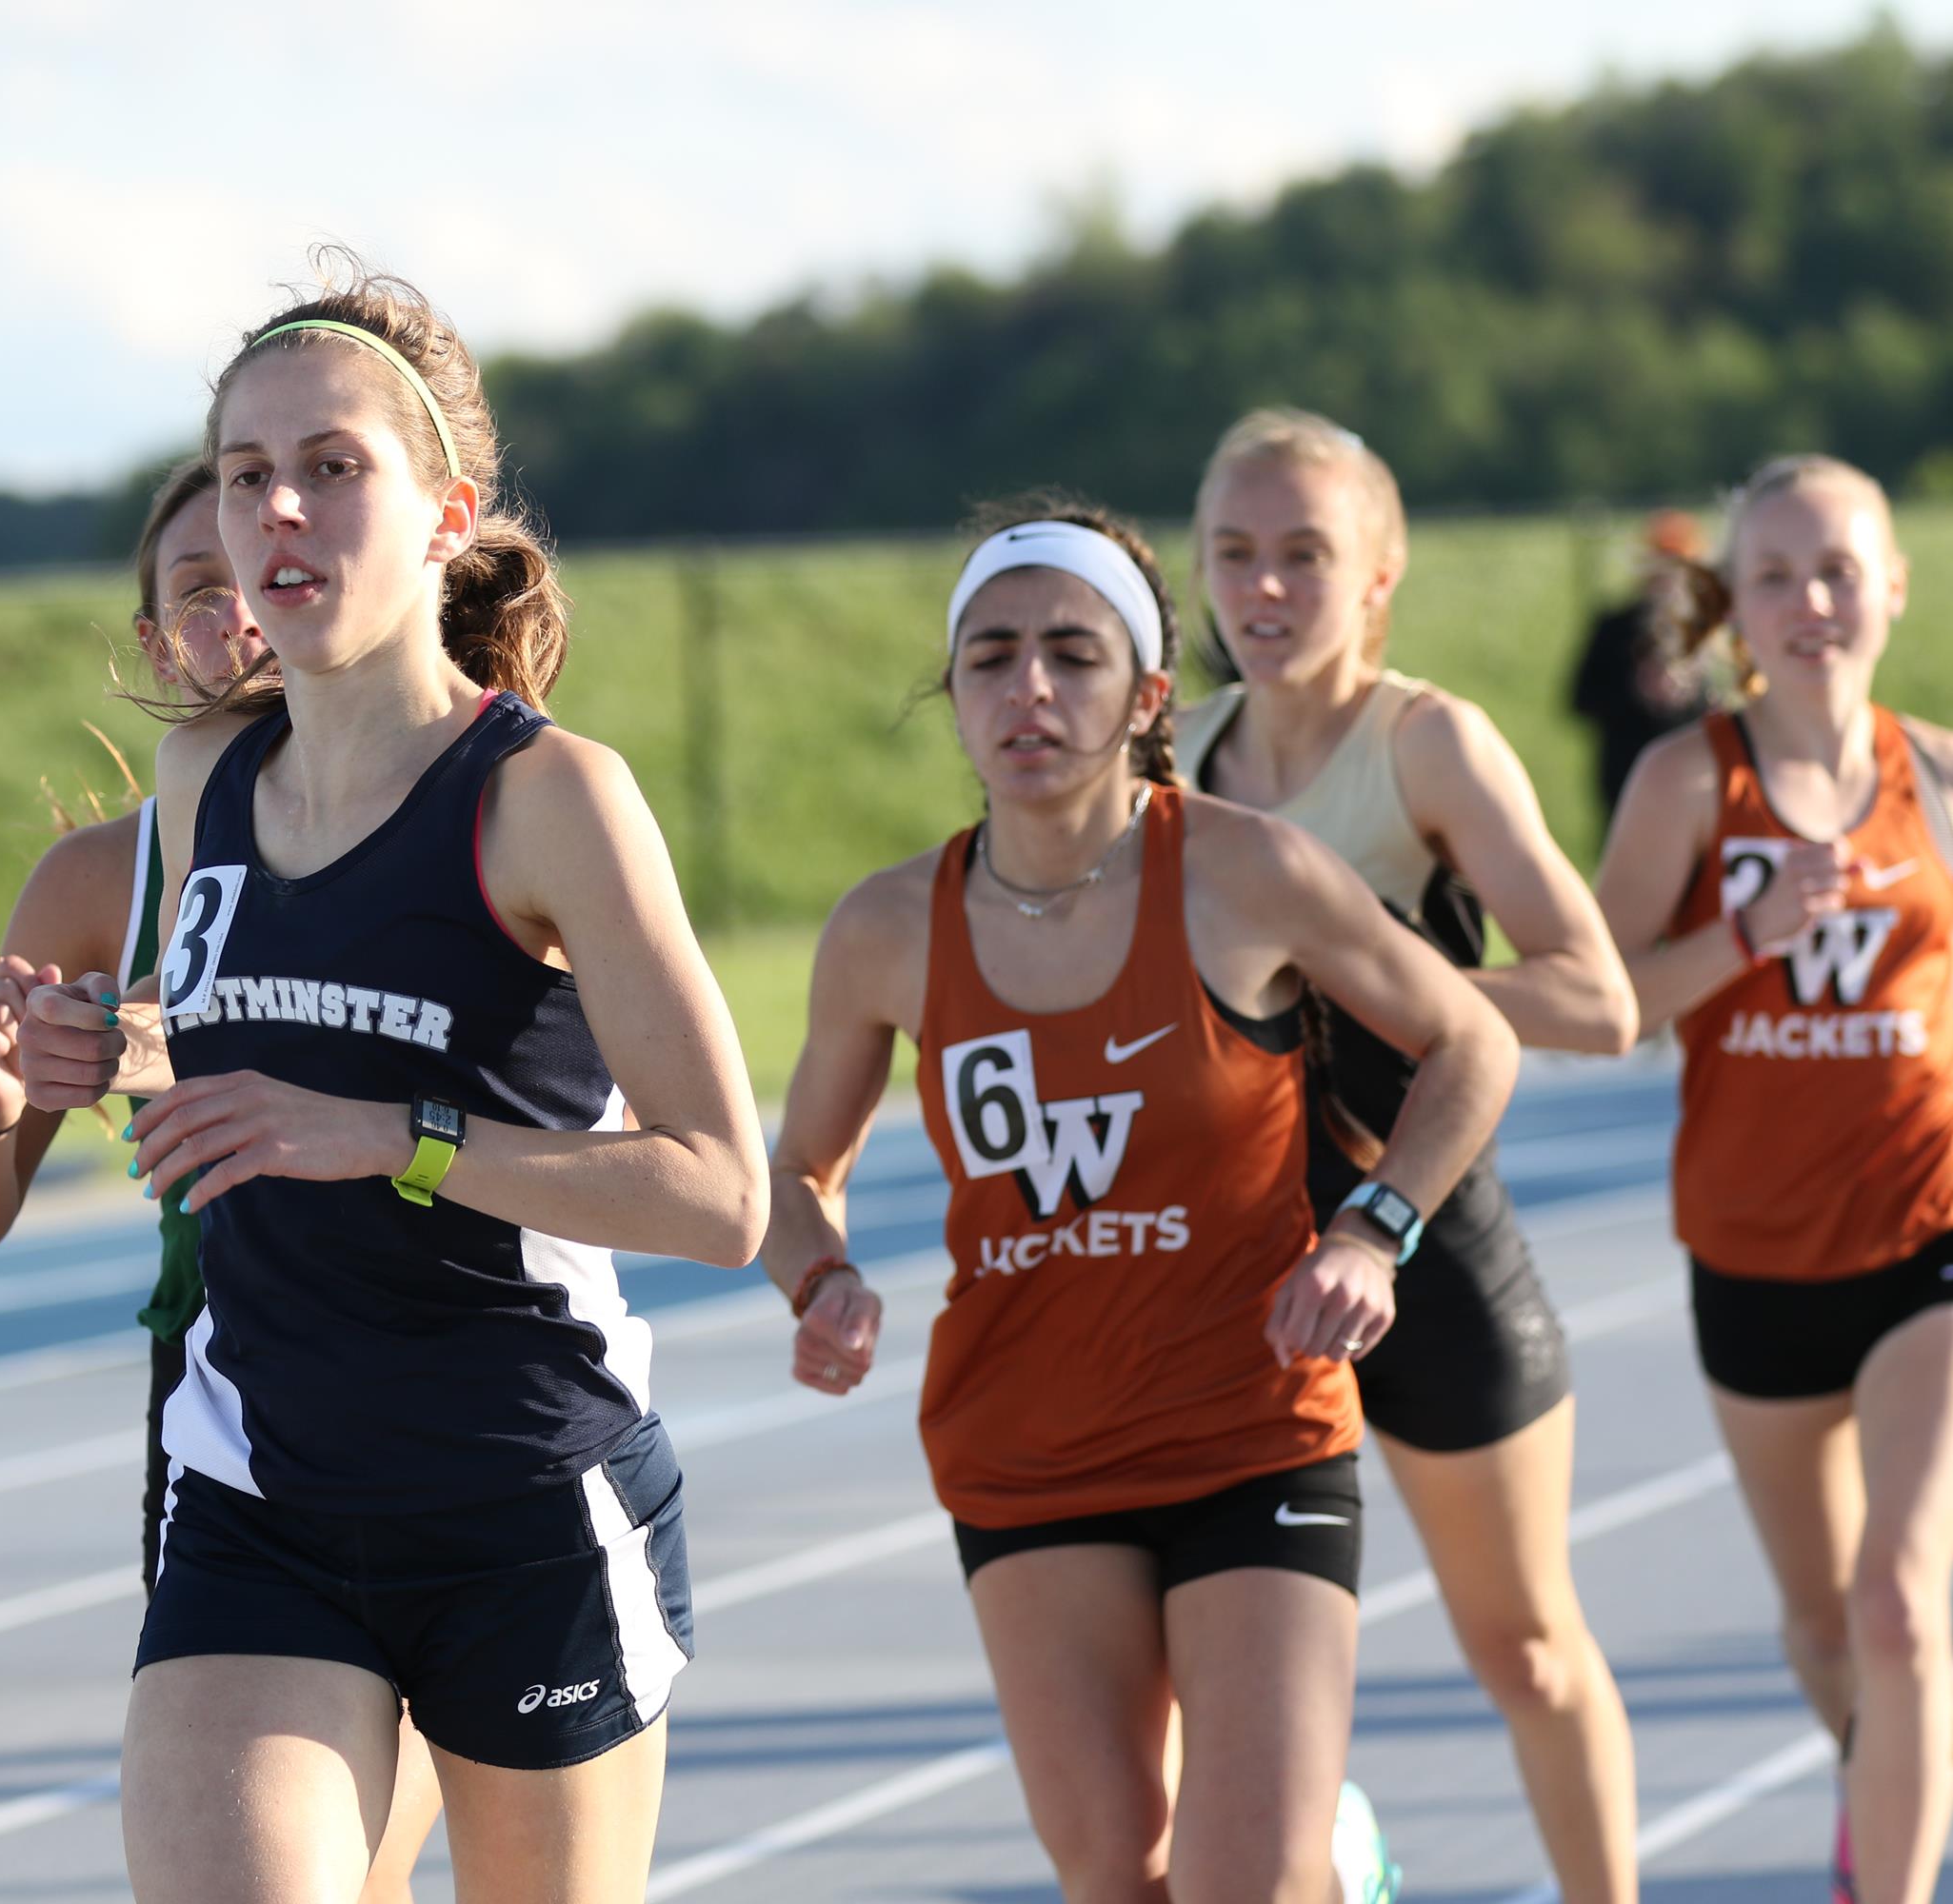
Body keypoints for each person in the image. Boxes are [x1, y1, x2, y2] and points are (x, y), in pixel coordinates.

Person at [19, 257, 769, 1904]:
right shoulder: (207, 774)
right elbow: (253, 1045)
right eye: (242, 475)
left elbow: (722, 1189)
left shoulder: (548, 798)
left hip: (523, 1498)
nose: (274, 511)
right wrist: (77, 1056)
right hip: (263, 1493)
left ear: (445, 512)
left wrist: (394, 1139)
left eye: (331, 468)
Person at [770, 492, 1517, 1901]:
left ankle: (1313, 1854)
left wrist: (1377, 1228)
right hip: (1029, 1451)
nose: (1028, 689)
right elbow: (796, 1175)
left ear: (1148, 694)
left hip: (1254, 1432)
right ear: (954, 696)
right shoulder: (887, 928)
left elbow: (1473, 1042)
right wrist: (822, 1279)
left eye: (1071, 652)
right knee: (1118, 1871)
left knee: (1243, 1880)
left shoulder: (1244, 871)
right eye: (989, 658)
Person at [0, 454, 443, 1901]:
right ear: (157, 646)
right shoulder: (99, 881)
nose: (245, 609)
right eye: (199, 590)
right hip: (226, 1400)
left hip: (454, 1381)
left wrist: (159, 1041)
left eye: (262, 561)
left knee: (375, 1861)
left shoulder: (457, 803)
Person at [1176, 409, 1642, 1902]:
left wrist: (1355, 979)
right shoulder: (1167, 762)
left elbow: (1596, 995)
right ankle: (1337, 1853)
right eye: (1235, 553)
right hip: (1233, 1286)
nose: (1265, 586)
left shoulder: (1424, 742)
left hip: (1423, 1246)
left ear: (1379, 574)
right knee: (1224, 1688)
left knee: (1526, 1648)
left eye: (1305, 554)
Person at [1596, 454, 1953, 1904]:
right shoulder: (1692, 780)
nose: (1812, 600)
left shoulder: (1937, 773)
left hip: (1927, 1232)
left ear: (1894, 588)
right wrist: (1743, 938)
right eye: (1777, 574)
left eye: (1840, 569)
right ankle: (1898, 1796)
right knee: (1822, 1631)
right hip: (1751, 1261)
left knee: (1901, 1612)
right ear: (1734, 604)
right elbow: (1605, 1002)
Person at [1571, 510, 1719, 819]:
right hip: (1627, 771)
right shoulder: (1615, 627)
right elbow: (1580, 700)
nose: (1669, 577)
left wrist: (1687, 695)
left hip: (1692, 778)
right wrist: (1635, 691)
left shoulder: (1703, 630)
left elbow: (1720, 708)